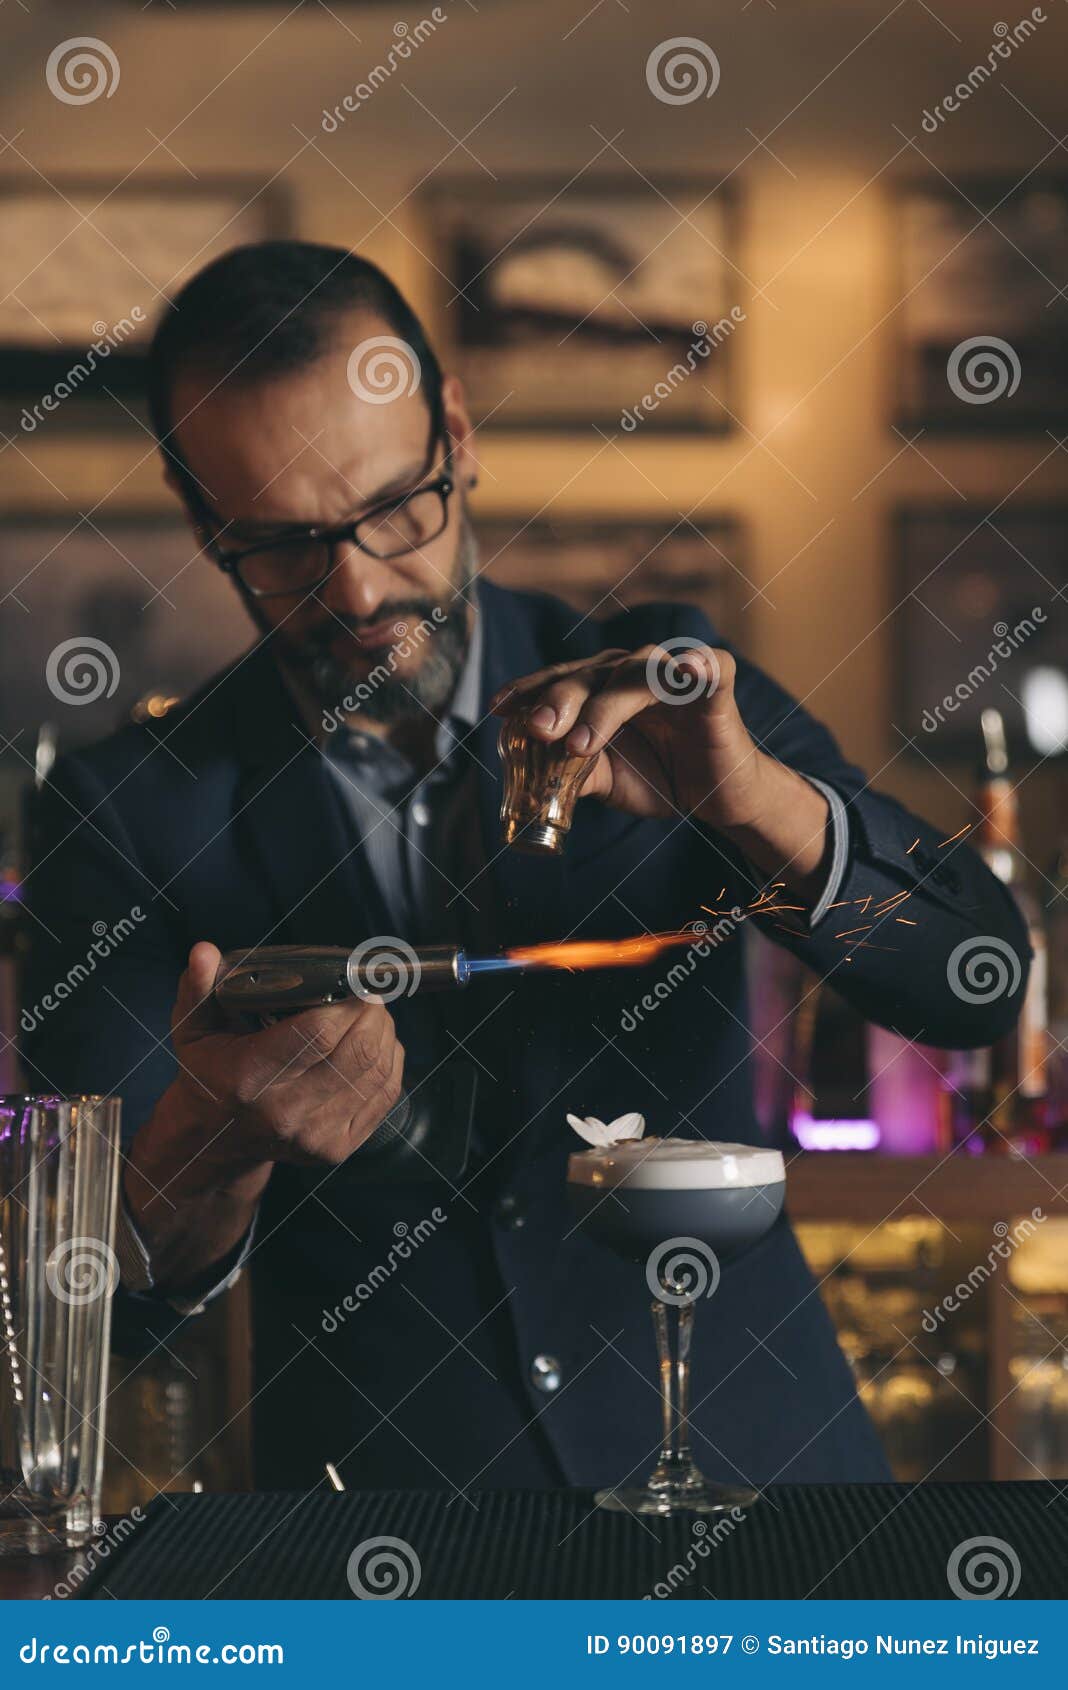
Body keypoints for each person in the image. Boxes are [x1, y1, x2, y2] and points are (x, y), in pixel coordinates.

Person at [22, 242, 1029, 1496]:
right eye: (281, 546)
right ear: (201, 521)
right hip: (391, 1542)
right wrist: (216, 1140)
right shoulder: (124, 811)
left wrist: (751, 803)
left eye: (397, 506)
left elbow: (977, 983)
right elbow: (92, 1298)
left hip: (754, 1488)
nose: (360, 589)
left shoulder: (667, 685)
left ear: (456, 432)